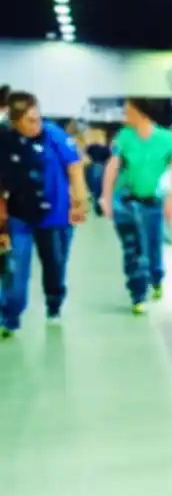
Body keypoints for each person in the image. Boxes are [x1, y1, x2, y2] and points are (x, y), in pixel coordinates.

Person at [0, 92, 89, 336]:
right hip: (20, 216)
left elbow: (74, 167)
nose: (36, 124)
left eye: (38, 118)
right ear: (15, 121)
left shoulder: (54, 135)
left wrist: (80, 202)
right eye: (30, 121)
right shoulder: (5, 139)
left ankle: (54, 304)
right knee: (15, 269)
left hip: (55, 215)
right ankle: (10, 317)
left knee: (54, 265)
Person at [100, 98, 172, 314]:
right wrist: (106, 197)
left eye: (129, 111)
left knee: (152, 244)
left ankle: (156, 278)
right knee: (133, 248)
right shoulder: (124, 136)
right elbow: (113, 166)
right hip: (127, 201)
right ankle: (137, 293)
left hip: (153, 202)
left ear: (143, 113)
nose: (125, 115)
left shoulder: (166, 138)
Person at [84, 128, 111, 215]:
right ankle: (100, 207)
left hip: (93, 167)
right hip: (103, 168)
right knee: (101, 189)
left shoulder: (91, 147)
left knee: (94, 188)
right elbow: (109, 158)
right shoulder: (106, 148)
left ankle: (97, 205)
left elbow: (87, 154)